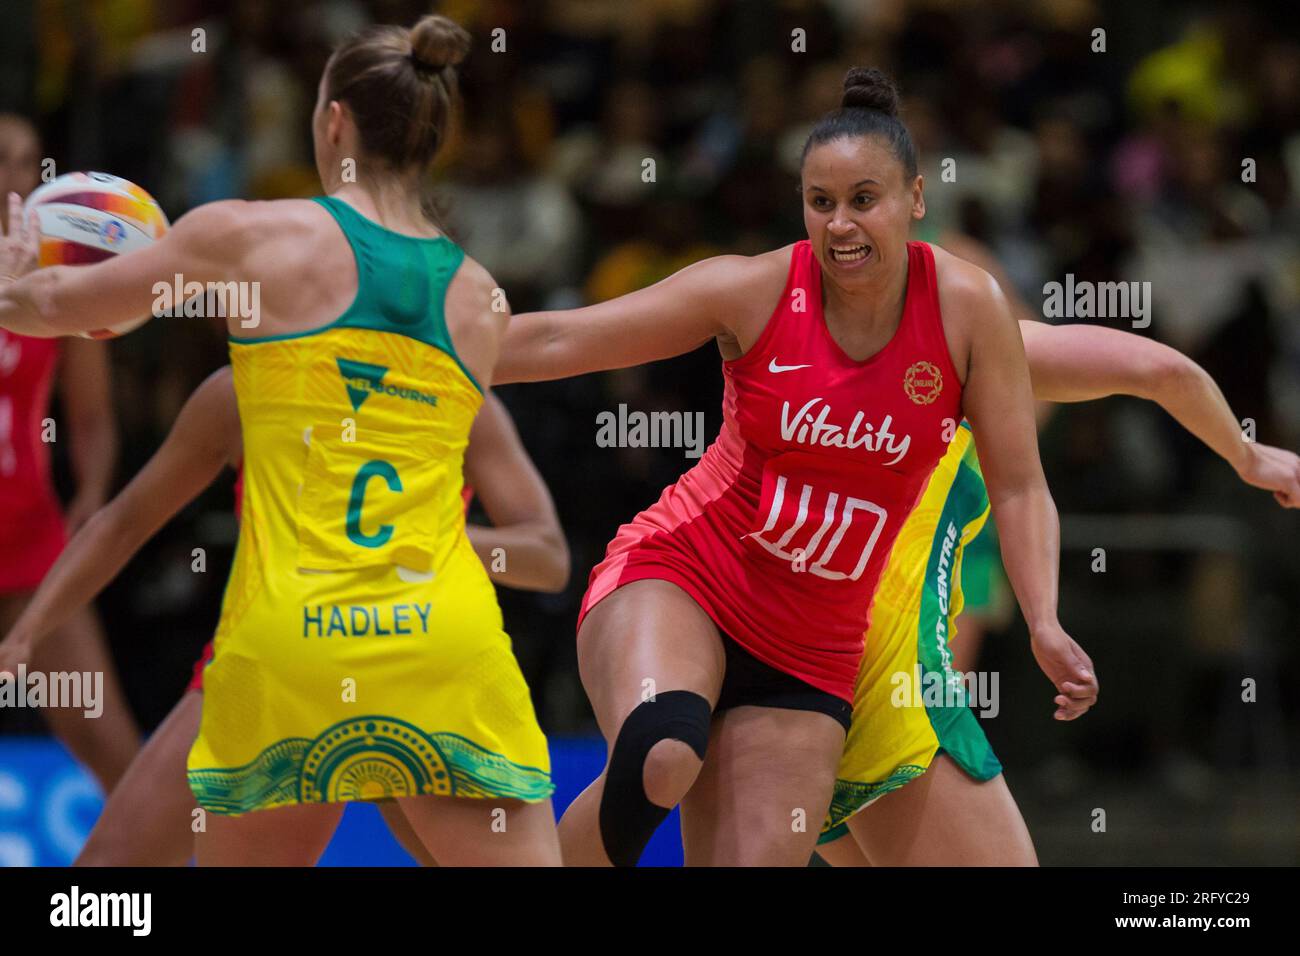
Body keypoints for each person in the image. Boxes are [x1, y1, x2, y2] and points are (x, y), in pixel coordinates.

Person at [494, 68, 1097, 866]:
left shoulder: (969, 306)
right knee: (662, 754)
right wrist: (403, 350)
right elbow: (559, 341)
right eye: (820, 202)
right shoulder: (755, 290)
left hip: (812, 650)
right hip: (685, 578)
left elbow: (1021, 483)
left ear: (916, 198)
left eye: (863, 199)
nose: (840, 223)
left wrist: (1046, 619)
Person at [0, 14, 563, 866]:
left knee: (113, 876)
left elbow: (68, 309)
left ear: (332, 121)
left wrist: (16, 282)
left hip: (286, 644)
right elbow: (571, 347)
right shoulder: (480, 303)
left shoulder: (250, 239)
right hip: (436, 638)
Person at [0, 365, 567, 865]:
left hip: (413, 664)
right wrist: (29, 628)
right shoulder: (246, 388)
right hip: (279, 666)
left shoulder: (451, 383)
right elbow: (124, 521)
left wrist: (443, 541)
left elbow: (549, 558)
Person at [815, 318, 1300, 866]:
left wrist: (1043, 621)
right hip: (889, 679)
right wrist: (1248, 455)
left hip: (782, 666)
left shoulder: (790, 327)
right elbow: (1162, 369)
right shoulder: (966, 335)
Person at [0, 112, 140, 791]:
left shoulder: (58, 283)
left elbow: (90, 417)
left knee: (106, 739)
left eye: (28, 162)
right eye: (1, 158)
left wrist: (91, 495)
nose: (14, 176)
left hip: (28, 537)